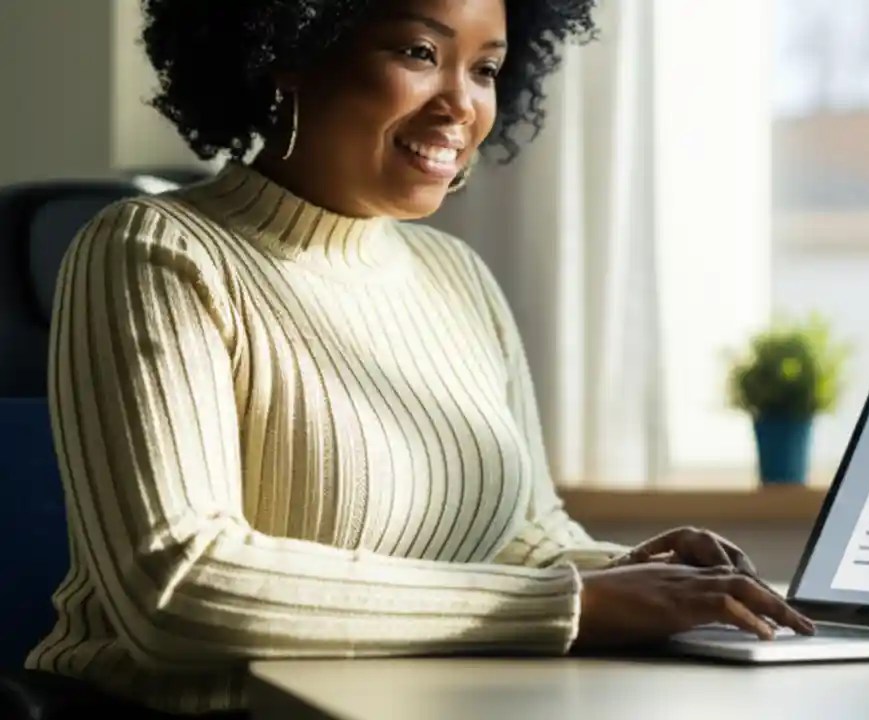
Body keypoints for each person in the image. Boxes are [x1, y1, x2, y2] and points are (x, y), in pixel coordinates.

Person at [23, 0, 815, 716]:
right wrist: (574, 602)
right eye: (417, 52)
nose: (461, 105)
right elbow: (178, 587)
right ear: (289, 51)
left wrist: (659, 582)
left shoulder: (455, 276)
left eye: (486, 69)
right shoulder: (155, 251)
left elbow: (523, 539)